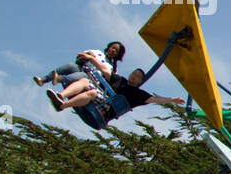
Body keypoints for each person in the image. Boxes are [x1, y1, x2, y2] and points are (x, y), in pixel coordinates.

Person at [46, 68, 185, 122]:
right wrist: (90, 58)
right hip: (100, 98)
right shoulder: (120, 80)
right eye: (133, 74)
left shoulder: (138, 94)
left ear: (140, 81)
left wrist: (172, 99)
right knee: (85, 80)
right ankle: (60, 97)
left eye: (137, 76)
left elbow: (156, 99)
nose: (133, 76)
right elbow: (104, 71)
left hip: (105, 109)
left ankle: (62, 106)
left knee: (93, 92)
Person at [34, 41, 125, 88]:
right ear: (109, 47)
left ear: (117, 55)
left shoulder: (112, 68)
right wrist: (88, 56)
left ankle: (59, 79)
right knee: (71, 66)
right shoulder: (97, 52)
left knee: (82, 75)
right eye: (113, 48)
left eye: (116, 51)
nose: (113, 50)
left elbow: (109, 79)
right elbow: (79, 57)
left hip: (92, 79)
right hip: (82, 67)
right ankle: (43, 79)